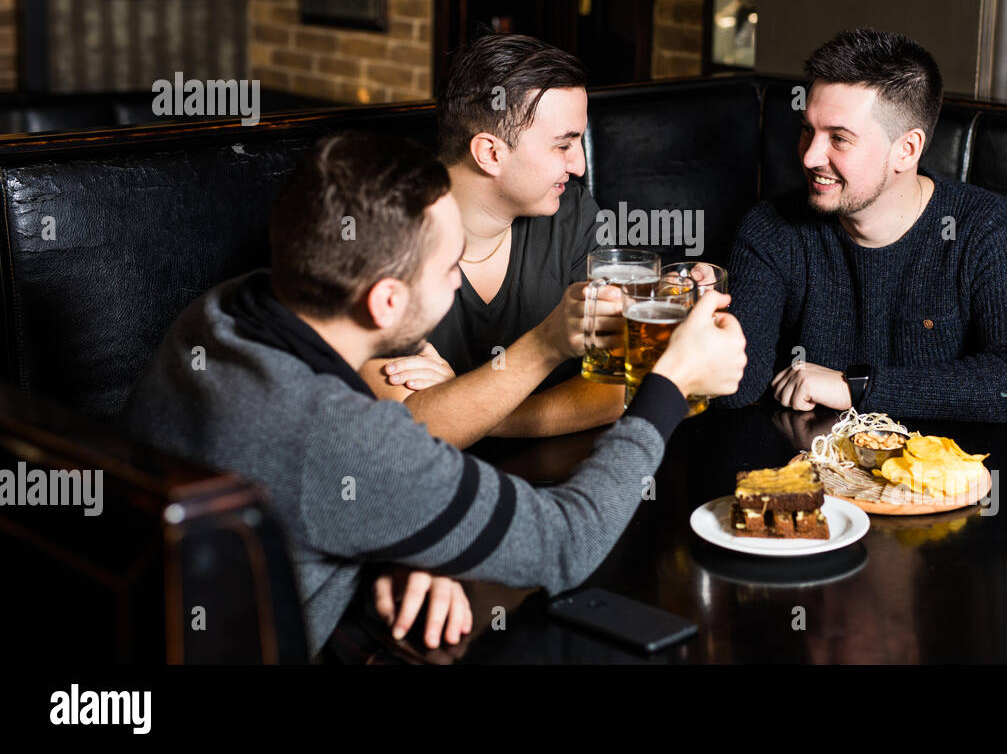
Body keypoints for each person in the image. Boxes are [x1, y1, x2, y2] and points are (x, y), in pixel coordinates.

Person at [121, 132, 746, 658]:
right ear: (386, 302)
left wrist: (405, 532)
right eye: (451, 268)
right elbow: (566, 543)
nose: (458, 281)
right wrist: (668, 389)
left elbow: (313, 492)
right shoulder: (348, 438)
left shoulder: (217, 315)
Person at [715, 28, 1007, 422]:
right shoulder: (770, 229)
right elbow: (736, 390)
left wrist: (857, 387)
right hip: (809, 472)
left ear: (907, 149)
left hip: (948, 474)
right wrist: (697, 319)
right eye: (807, 129)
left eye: (839, 139)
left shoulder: (989, 229)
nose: (810, 156)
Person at [359, 33, 625, 445]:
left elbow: (617, 388)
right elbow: (414, 428)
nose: (579, 164)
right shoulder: (382, 235)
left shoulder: (570, 213)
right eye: (564, 145)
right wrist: (543, 350)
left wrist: (467, 402)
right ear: (490, 153)